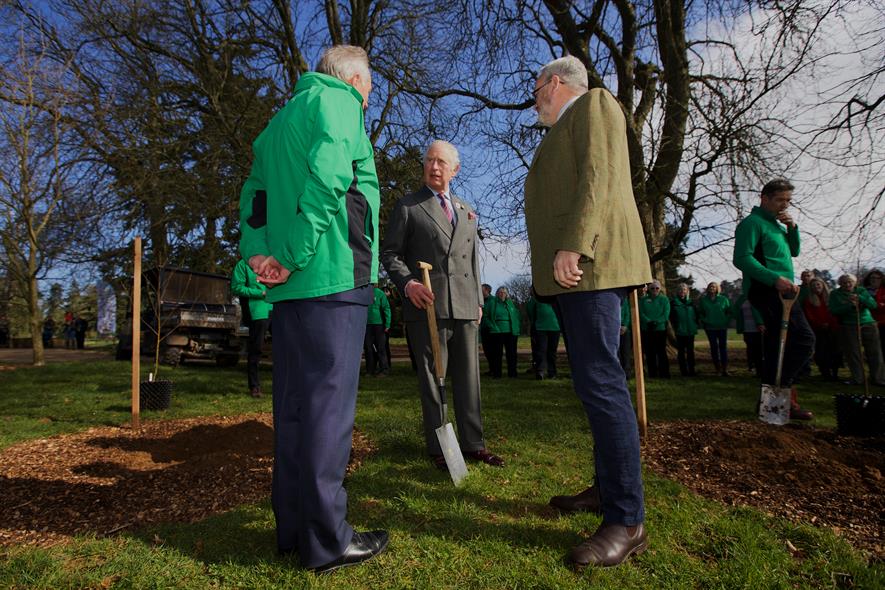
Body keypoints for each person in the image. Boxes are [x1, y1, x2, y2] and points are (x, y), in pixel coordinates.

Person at [237, 45, 388, 573]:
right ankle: (327, 539)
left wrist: (258, 254)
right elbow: (330, 180)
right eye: (369, 84)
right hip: (329, 278)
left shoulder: (276, 125)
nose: (369, 95)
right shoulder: (340, 100)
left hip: (291, 292)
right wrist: (292, 254)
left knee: (296, 408)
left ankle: (294, 526)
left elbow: (253, 196)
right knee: (327, 410)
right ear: (352, 76)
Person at [524, 55, 651, 568]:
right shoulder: (564, 127)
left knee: (601, 384)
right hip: (577, 273)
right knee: (593, 383)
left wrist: (575, 243)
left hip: (591, 265)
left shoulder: (594, 104)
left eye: (538, 88)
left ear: (555, 83)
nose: (535, 97)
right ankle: (607, 488)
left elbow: (599, 173)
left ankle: (626, 519)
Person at [381, 139, 504, 471]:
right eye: (429, 161)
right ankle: (440, 448)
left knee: (469, 379)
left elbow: (475, 261)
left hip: (465, 307)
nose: (434, 167)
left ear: (455, 170)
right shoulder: (409, 207)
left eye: (441, 162)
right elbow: (389, 254)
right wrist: (408, 284)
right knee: (434, 379)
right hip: (428, 308)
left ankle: (474, 445)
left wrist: (478, 301)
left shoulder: (468, 211)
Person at [732, 178, 814, 420]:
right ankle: (782, 393)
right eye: (780, 200)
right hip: (767, 290)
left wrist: (792, 228)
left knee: (779, 347)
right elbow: (742, 258)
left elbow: (794, 251)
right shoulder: (752, 224)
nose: (784, 205)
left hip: (786, 292)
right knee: (804, 341)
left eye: (788, 201)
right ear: (764, 198)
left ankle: (773, 406)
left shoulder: (777, 225)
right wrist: (774, 279)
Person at [829, 273, 885, 386]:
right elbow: (834, 310)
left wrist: (860, 298)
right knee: (853, 353)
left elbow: (873, 305)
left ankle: (878, 379)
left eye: (850, 282)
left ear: (855, 283)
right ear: (840, 283)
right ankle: (858, 379)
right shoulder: (835, 294)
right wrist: (849, 305)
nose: (847, 284)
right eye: (844, 282)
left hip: (868, 323)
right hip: (849, 325)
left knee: (874, 352)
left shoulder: (862, 291)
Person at [230, 258, 272, 398]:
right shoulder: (243, 264)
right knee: (256, 349)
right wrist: (260, 293)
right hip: (258, 311)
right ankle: (254, 386)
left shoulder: (273, 260)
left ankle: (284, 386)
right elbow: (236, 287)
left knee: (283, 350)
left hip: (277, 310)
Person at [802, 277, 841, 380]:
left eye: (818, 285)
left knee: (835, 350)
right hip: (818, 329)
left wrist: (830, 323)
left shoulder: (831, 297)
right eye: (814, 285)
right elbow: (809, 315)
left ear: (823, 285)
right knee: (822, 351)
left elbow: (835, 312)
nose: (816, 287)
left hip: (833, 328)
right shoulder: (809, 300)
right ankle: (825, 372)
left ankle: (835, 372)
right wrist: (820, 324)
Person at [484, 286, 522, 378]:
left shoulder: (510, 303)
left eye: (504, 292)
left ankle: (512, 374)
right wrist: (493, 327)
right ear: (497, 293)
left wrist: (517, 327)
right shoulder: (492, 303)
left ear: (507, 294)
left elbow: (516, 316)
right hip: (497, 331)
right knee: (497, 354)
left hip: (511, 332)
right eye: (500, 292)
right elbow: (485, 316)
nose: (502, 294)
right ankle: (497, 374)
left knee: (512, 354)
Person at [697, 282, 732, 376]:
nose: (712, 288)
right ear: (708, 288)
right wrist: (705, 320)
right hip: (710, 328)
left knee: (723, 348)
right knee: (714, 348)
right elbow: (700, 313)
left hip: (722, 327)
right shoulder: (703, 300)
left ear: (717, 289)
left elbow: (729, 312)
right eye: (710, 286)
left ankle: (725, 369)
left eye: (714, 287)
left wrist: (725, 320)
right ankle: (718, 369)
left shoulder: (723, 299)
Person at [639, 281, 670, 378]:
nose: (655, 290)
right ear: (649, 289)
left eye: (657, 288)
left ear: (660, 289)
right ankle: (652, 373)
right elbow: (641, 313)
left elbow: (666, 314)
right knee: (650, 352)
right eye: (652, 288)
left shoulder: (664, 299)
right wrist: (648, 321)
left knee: (661, 352)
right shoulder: (644, 300)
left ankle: (664, 373)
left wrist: (656, 322)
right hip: (647, 329)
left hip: (660, 329)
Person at [527, 293, 560, 379]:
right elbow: (530, 310)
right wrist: (535, 322)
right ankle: (540, 371)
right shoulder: (536, 299)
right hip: (541, 328)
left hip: (555, 328)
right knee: (541, 351)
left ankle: (552, 373)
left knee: (552, 352)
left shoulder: (556, 298)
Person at [669, 283, 698, 377]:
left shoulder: (692, 303)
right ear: (677, 291)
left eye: (684, 290)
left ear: (687, 291)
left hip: (690, 331)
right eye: (680, 290)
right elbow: (671, 317)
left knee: (690, 352)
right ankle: (683, 371)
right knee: (681, 353)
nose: (682, 292)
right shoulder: (673, 303)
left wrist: (695, 324)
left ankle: (692, 370)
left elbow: (697, 315)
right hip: (680, 331)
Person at [734, 293, 765, 376]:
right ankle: (751, 367)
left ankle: (760, 369)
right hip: (747, 328)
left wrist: (761, 322)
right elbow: (736, 310)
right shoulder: (742, 298)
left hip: (758, 328)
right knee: (750, 348)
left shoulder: (758, 296)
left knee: (759, 349)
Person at [364, 286, 391, 375]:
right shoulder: (363, 292)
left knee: (381, 348)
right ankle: (370, 370)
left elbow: (386, 308)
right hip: (366, 325)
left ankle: (384, 370)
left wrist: (387, 323)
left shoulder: (380, 293)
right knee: (368, 348)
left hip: (379, 325)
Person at [862, 269, 885, 355]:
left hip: (883, 323)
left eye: (877, 278)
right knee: (873, 350)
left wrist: (875, 305)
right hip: (869, 323)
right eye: (872, 278)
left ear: (881, 279)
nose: (874, 280)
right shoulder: (864, 291)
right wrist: (880, 305)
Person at [479, 283, 494, 372]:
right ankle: (491, 368)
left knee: (492, 350)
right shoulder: (481, 301)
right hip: (483, 327)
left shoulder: (493, 300)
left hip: (491, 328)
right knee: (487, 350)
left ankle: (494, 369)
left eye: (482, 289)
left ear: (487, 290)